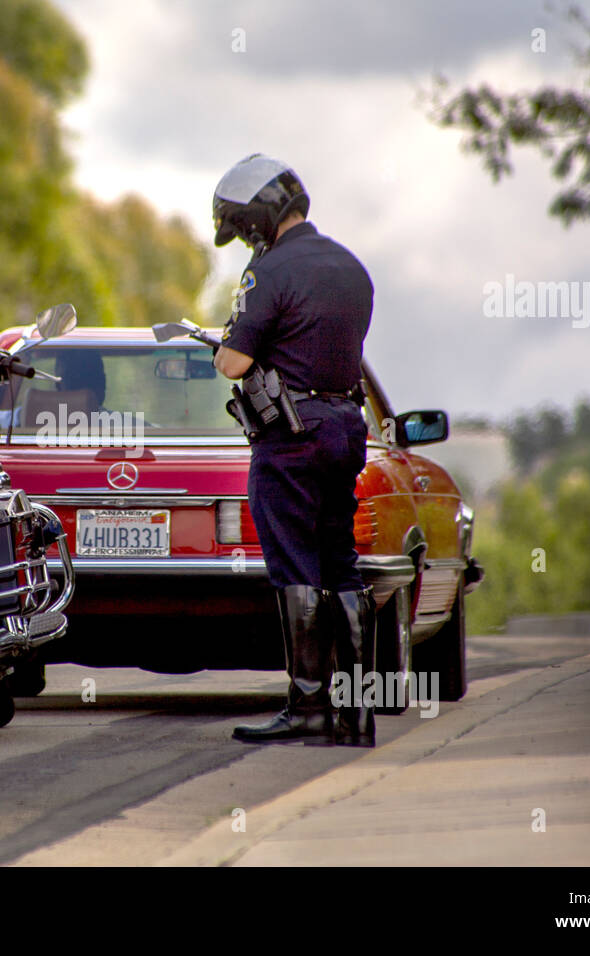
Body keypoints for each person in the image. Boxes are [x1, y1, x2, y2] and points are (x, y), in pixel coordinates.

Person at [210, 154, 377, 747]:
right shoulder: (352, 267)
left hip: (292, 436)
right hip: (345, 426)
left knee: (295, 570)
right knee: (342, 564)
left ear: (256, 221)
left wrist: (230, 335)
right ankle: (359, 712)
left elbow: (232, 363)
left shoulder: (270, 272)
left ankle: (307, 707)